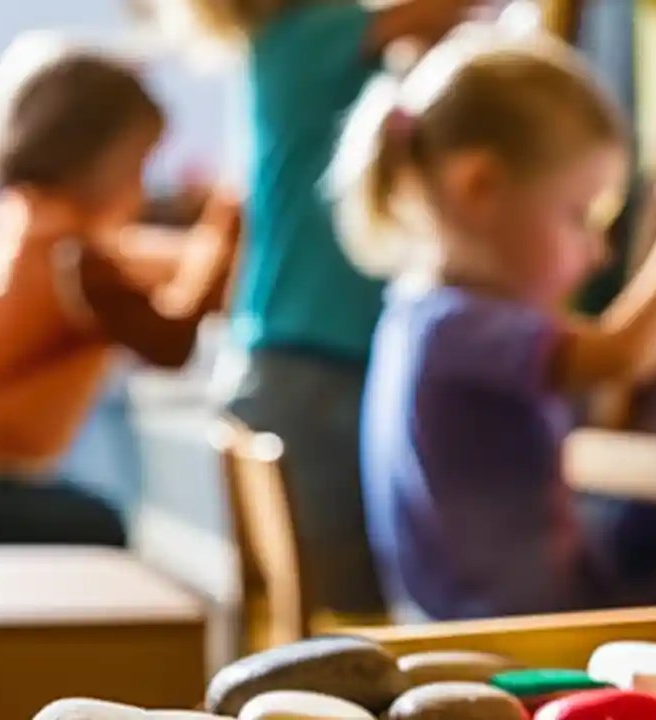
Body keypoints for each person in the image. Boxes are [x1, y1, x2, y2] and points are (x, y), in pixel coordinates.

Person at [330, 27, 656, 620]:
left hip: (471, 617)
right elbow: (623, 355)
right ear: (479, 189)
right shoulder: (457, 325)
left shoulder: (419, 312)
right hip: (506, 634)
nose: (597, 253)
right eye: (580, 216)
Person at [164, 0, 479, 615]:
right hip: (315, 369)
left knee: (320, 608)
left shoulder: (284, 45)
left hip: (288, 363)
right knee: (353, 612)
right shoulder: (309, 35)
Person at [0, 48, 240, 546]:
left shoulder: (33, 221)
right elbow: (169, 341)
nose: (140, 189)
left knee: (95, 523)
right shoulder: (67, 255)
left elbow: (153, 262)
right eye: (135, 166)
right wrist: (229, 217)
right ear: (89, 158)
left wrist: (212, 244)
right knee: (103, 529)